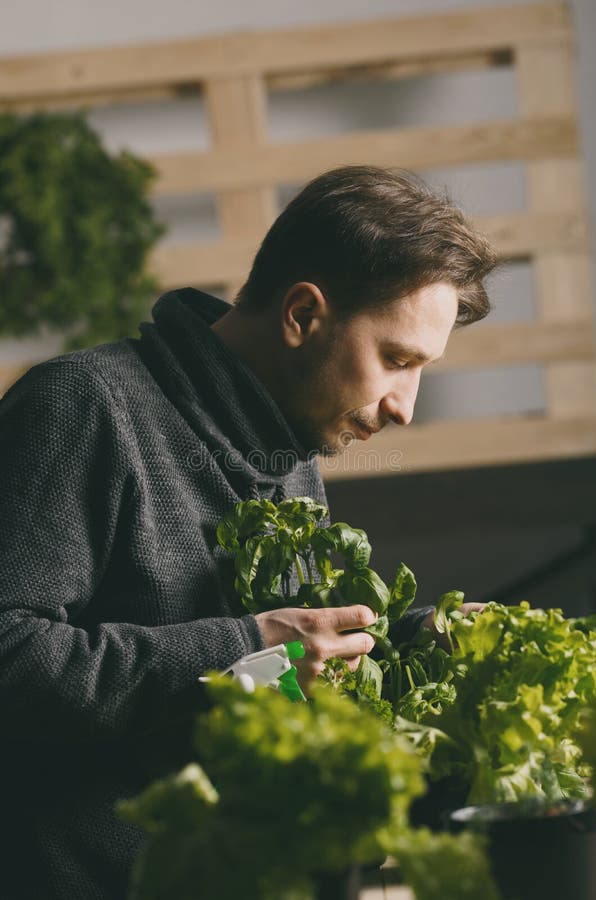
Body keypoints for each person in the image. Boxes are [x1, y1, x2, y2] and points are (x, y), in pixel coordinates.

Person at [0, 165, 496, 900]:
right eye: (396, 360)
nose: (404, 409)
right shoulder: (81, 405)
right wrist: (241, 650)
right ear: (302, 315)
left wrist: (417, 638)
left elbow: (285, 663)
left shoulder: (284, 447)